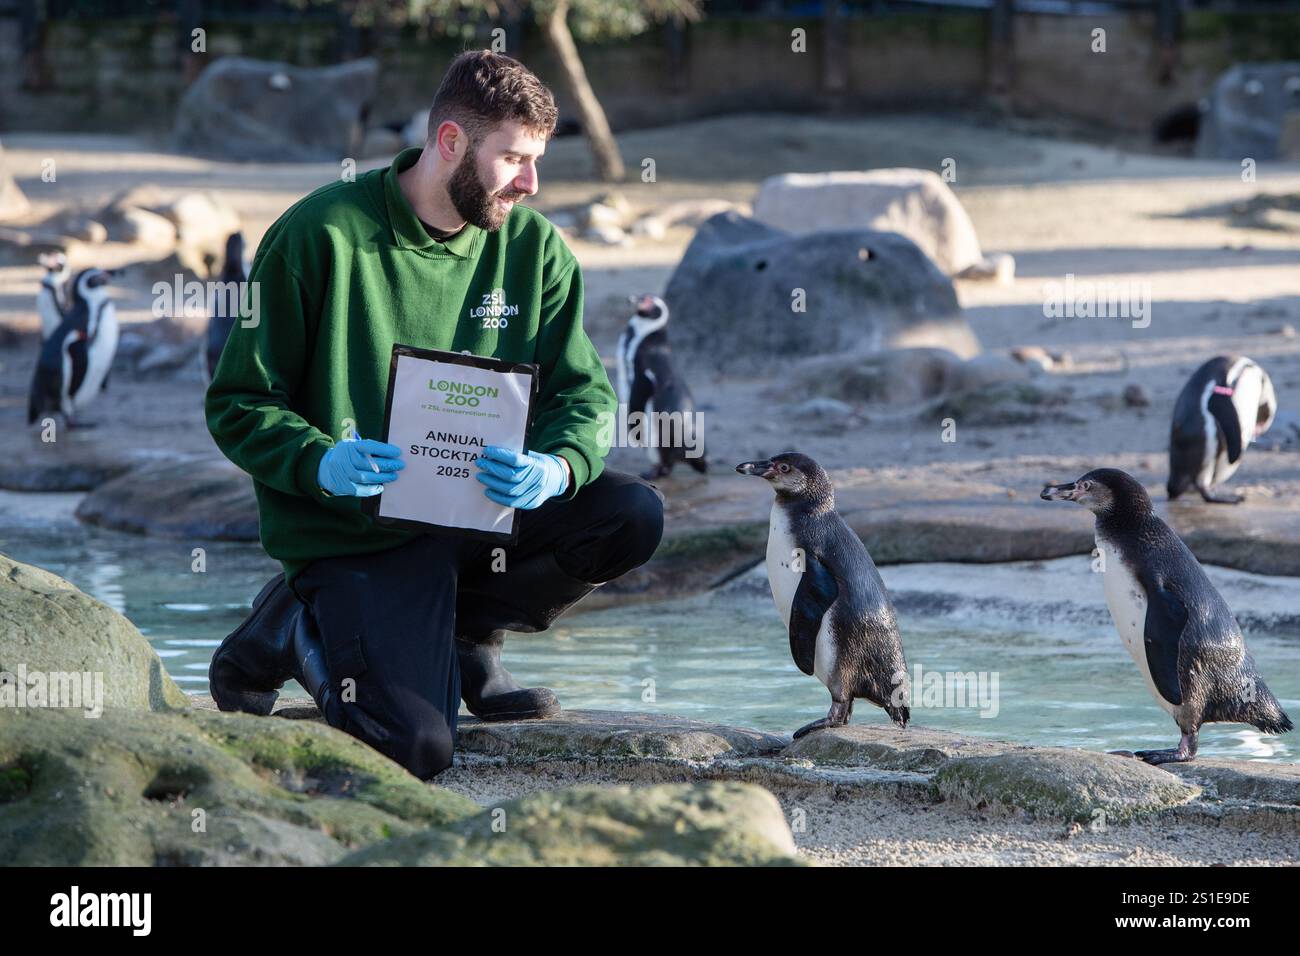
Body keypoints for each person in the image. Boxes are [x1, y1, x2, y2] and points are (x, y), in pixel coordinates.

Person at [204, 49, 664, 780]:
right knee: (415, 749)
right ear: (450, 142)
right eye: (513, 158)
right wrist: (321, 460)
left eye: (536, 159)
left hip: (478, 514)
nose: (532, 182)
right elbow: (240, 403)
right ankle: (294, 622)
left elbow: (583, 397)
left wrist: (557, 464)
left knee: (632, 514)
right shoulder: (319, 236)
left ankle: (470, 631)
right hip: (361, 534)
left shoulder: (534, 248)